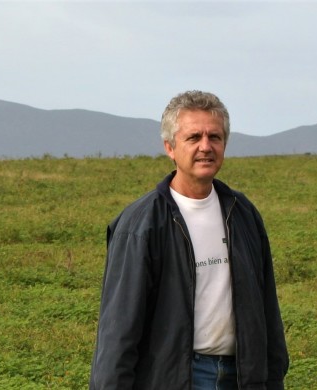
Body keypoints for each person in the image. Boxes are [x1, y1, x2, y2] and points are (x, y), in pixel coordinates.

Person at [89, 90, 289, 389]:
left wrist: (273, 377)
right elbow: (119, 329)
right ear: (170, 147)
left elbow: (267, 310)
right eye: (194, 137)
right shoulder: (141, 225)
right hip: (179, 377)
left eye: (215, 137)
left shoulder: (242, 213)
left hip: (242, 375)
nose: (205, 147)